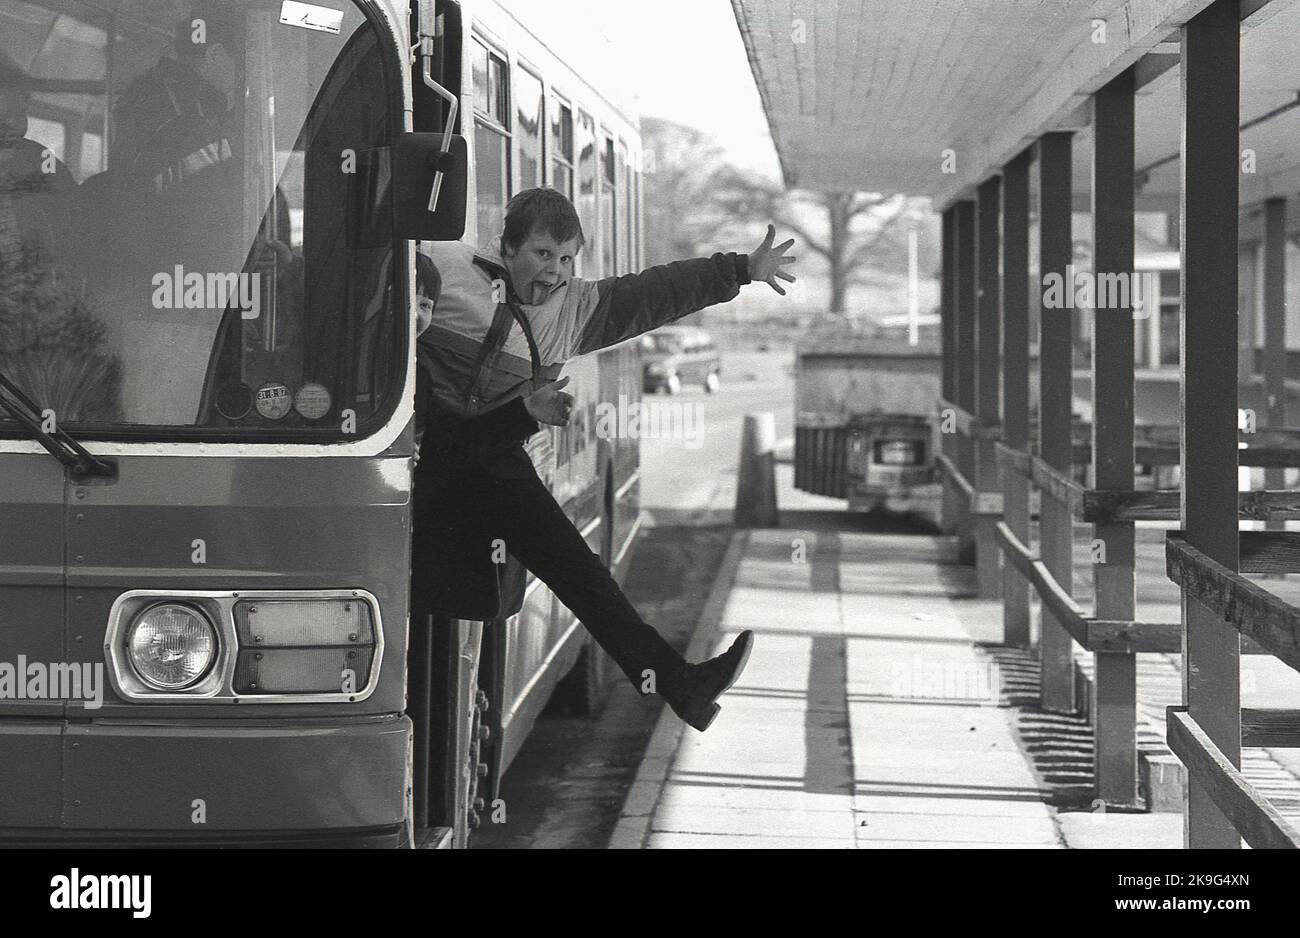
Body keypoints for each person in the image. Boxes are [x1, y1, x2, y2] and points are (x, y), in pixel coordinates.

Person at [413, 186, 796, 731]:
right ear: (507, 247)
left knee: (583, 576)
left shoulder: (577, 308)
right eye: (543, 254)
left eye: (567, 258)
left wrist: (739, 269)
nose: (555, 271)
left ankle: (681, 685)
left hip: (495, 457)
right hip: (425, 457)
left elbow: (655, 292)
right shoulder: (447, 269)